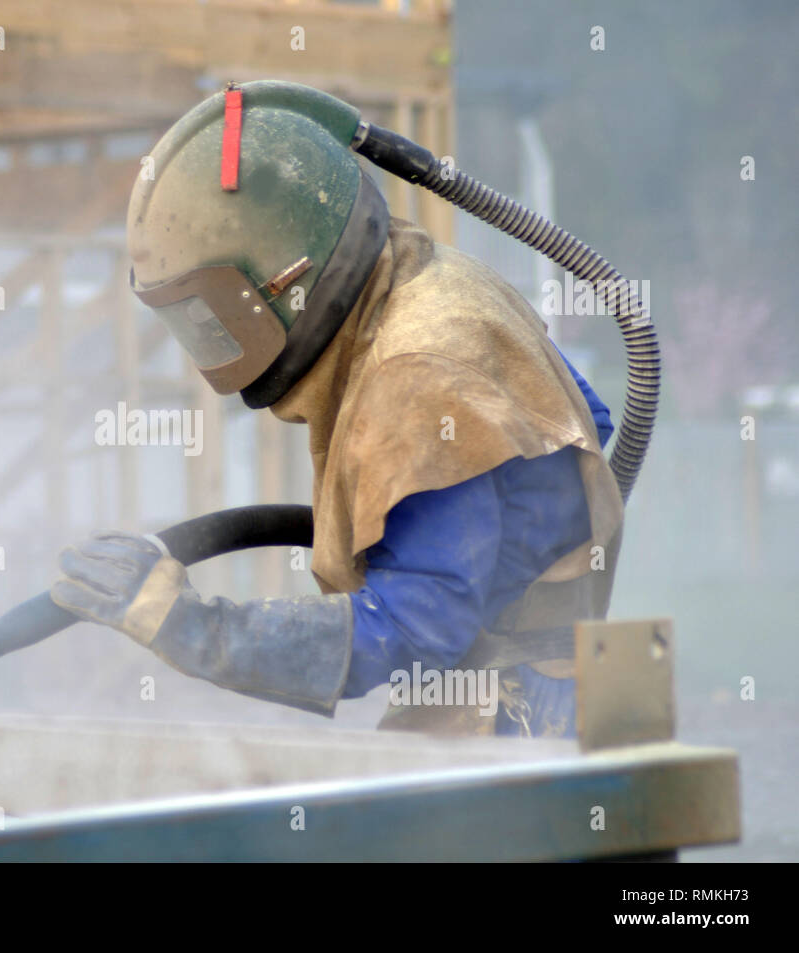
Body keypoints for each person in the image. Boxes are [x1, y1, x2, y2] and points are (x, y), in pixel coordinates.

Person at [50, 82, 623, 738]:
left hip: (515, 726)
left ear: (286, 277)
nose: (210, 346)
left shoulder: (416, 368)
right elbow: (586, 417)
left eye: (211, 320)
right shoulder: (430, 280)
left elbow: (418, 624)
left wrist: (185, 624)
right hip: (554, 694)